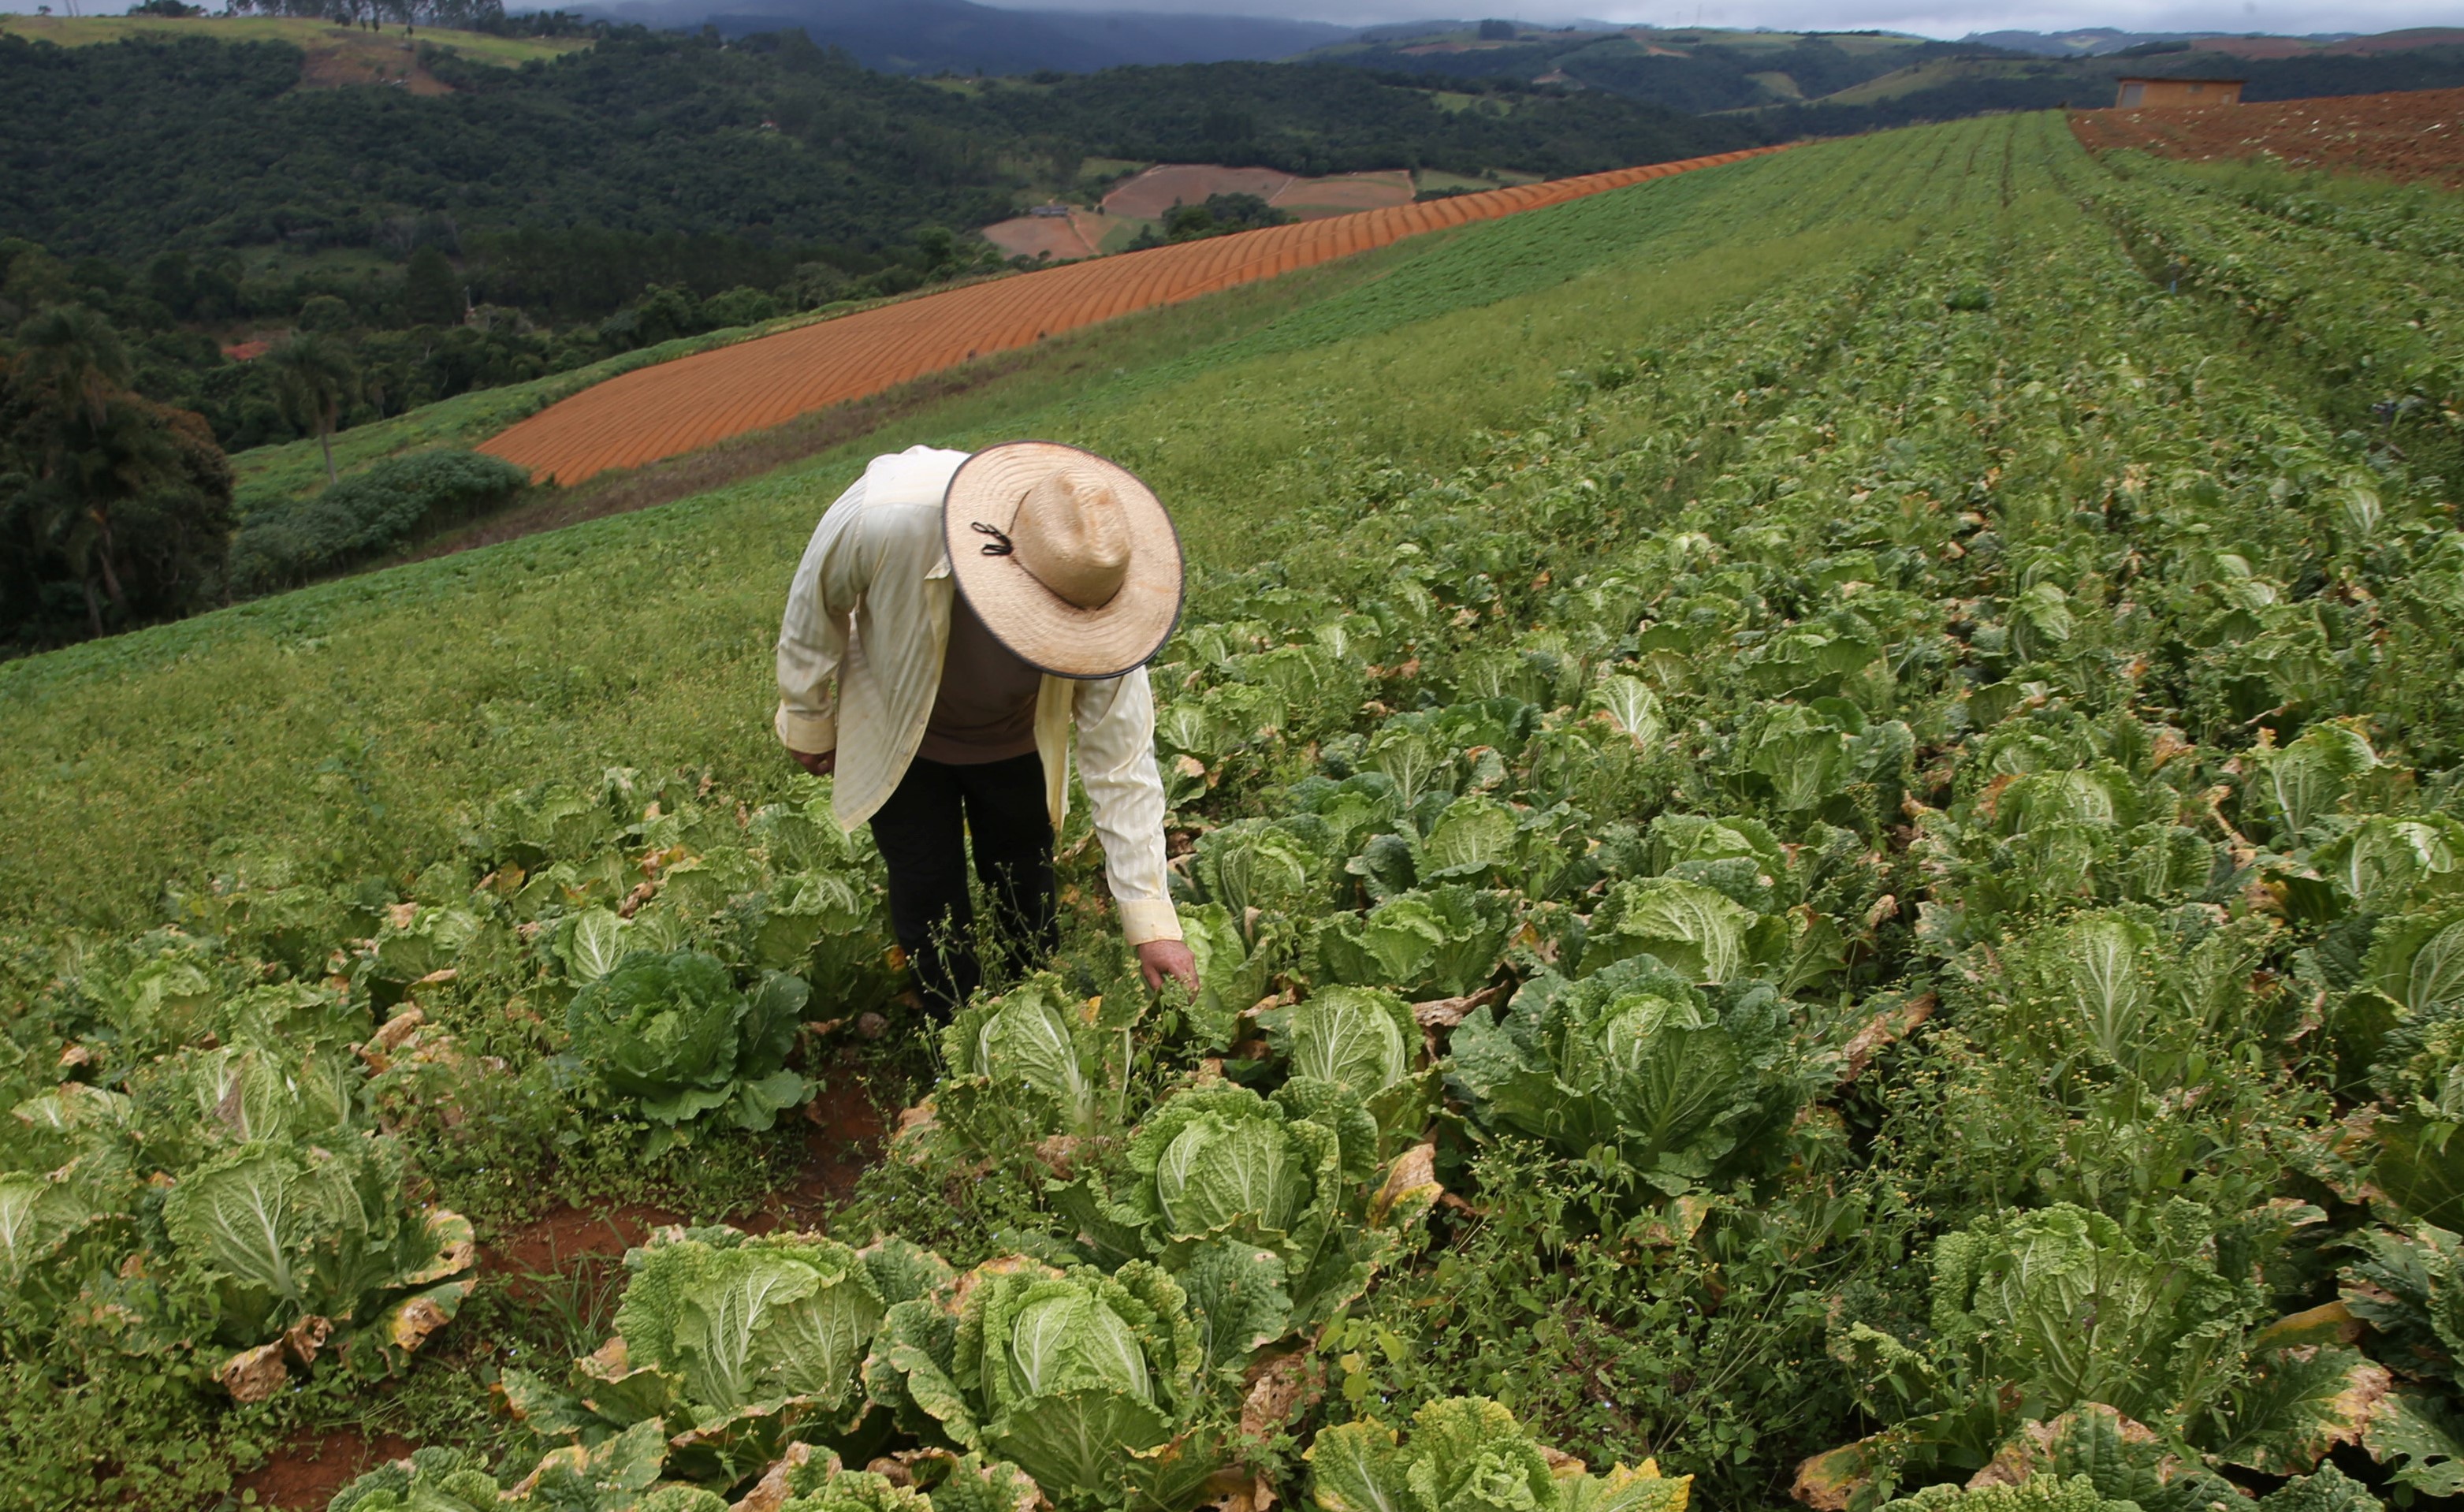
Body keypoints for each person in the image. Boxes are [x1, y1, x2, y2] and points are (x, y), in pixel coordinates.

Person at [773, 441, 1201, 1016]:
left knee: (1026, 875)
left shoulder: (1100, 585)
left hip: (1014, 735)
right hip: (903, 726)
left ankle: (1033, 1011)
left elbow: (1122, 764)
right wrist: (807, 717)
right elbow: (813, 607)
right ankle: (955, 1035)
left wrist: (1153, 925)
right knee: (927, 889)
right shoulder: (890, 517)